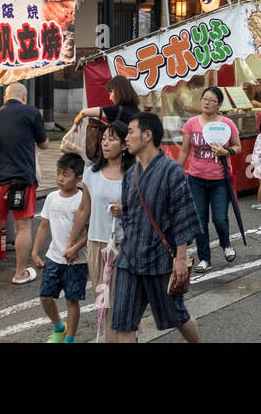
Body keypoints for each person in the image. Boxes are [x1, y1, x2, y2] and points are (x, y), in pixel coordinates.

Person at [110, 112, 201, 342]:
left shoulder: (172, 171)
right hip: (130, 257)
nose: (126, 138)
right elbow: (129, 215)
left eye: (131, 132)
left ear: (148, 135)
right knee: (123, 323)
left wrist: (180, 259)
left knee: (177, 316)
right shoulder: (131, 174)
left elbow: (182, 215)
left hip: (160, 260)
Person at [0, 82, 50, 284]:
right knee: (24, 226)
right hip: (22, 179)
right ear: (24, 97)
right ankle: (19, 273)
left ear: (4, 97)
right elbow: (44, 143)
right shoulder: (31, 113)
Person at [71, 120, 130, 343]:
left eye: (111, 139)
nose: (105, 143)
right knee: (104, 300)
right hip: (97, 245)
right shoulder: (91, 173)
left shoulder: (134, 173)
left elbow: (144, 208)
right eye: (104, 139)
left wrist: (125, 209)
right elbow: (83, 209)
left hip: (124, 245)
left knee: (119, 301)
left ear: (125, 146)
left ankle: (118, 338)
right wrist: (71, 243)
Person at [177, 85, 241, 272]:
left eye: (212, 100)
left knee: (220, 219)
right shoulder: (191, 124)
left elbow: (238, 147)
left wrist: (225, 151)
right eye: (205, 98)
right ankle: (205, 258)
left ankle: (226, 243)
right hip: (196, 179)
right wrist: (175, 171)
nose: (207, 102)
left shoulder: (227, 124)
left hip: (220, 179)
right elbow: (184, 150)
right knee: (200, 220)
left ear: (219, 104)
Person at [34, 153, 89, 343]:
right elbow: (43, 226)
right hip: (53, 257)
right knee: (45, 297)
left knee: (72, 300)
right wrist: (35, 251)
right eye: (58, 173)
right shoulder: (51, 197)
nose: (59, 178)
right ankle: (59, 326)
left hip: (77, 261)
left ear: (79, 178)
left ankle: (70, 338)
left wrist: (76, 248)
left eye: (65, 174)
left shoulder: (83, 200)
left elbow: (90, 233)